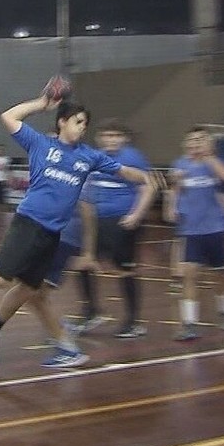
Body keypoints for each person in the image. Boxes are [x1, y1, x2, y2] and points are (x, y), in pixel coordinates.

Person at [0, 86, 153, 368]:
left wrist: (145, 177)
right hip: (29, 224)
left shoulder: (88, 156)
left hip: (51, 235)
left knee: (30, 290)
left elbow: (123, 171)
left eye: (85, 124)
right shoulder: (41, 145)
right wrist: (42, 104)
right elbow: (8, 116)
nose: (82, 128)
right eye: (78, 121)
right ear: (62, 122)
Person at [74, 119, 157, 338]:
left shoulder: (132, 157)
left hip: (121, 221)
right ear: (99, 138)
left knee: (125, 269)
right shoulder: (94, 157)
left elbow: (148, 187)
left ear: (124, 138)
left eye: (116, 136)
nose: (111, 140)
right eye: (107, 135)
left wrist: (135, 215)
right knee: (84, 262)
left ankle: (133, 321)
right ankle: (91, 311)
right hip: (96, 222)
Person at [166, 126, 224, 339]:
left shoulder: (213, 164)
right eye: (192, 139)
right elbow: (175, 188)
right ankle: (189, 323)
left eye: (200, 139)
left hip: (215, 227)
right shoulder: (181, 165)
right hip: (191, 229)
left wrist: (209, 156)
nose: (195, 143)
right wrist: (171, 207)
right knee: (190, 274)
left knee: (221, 274)